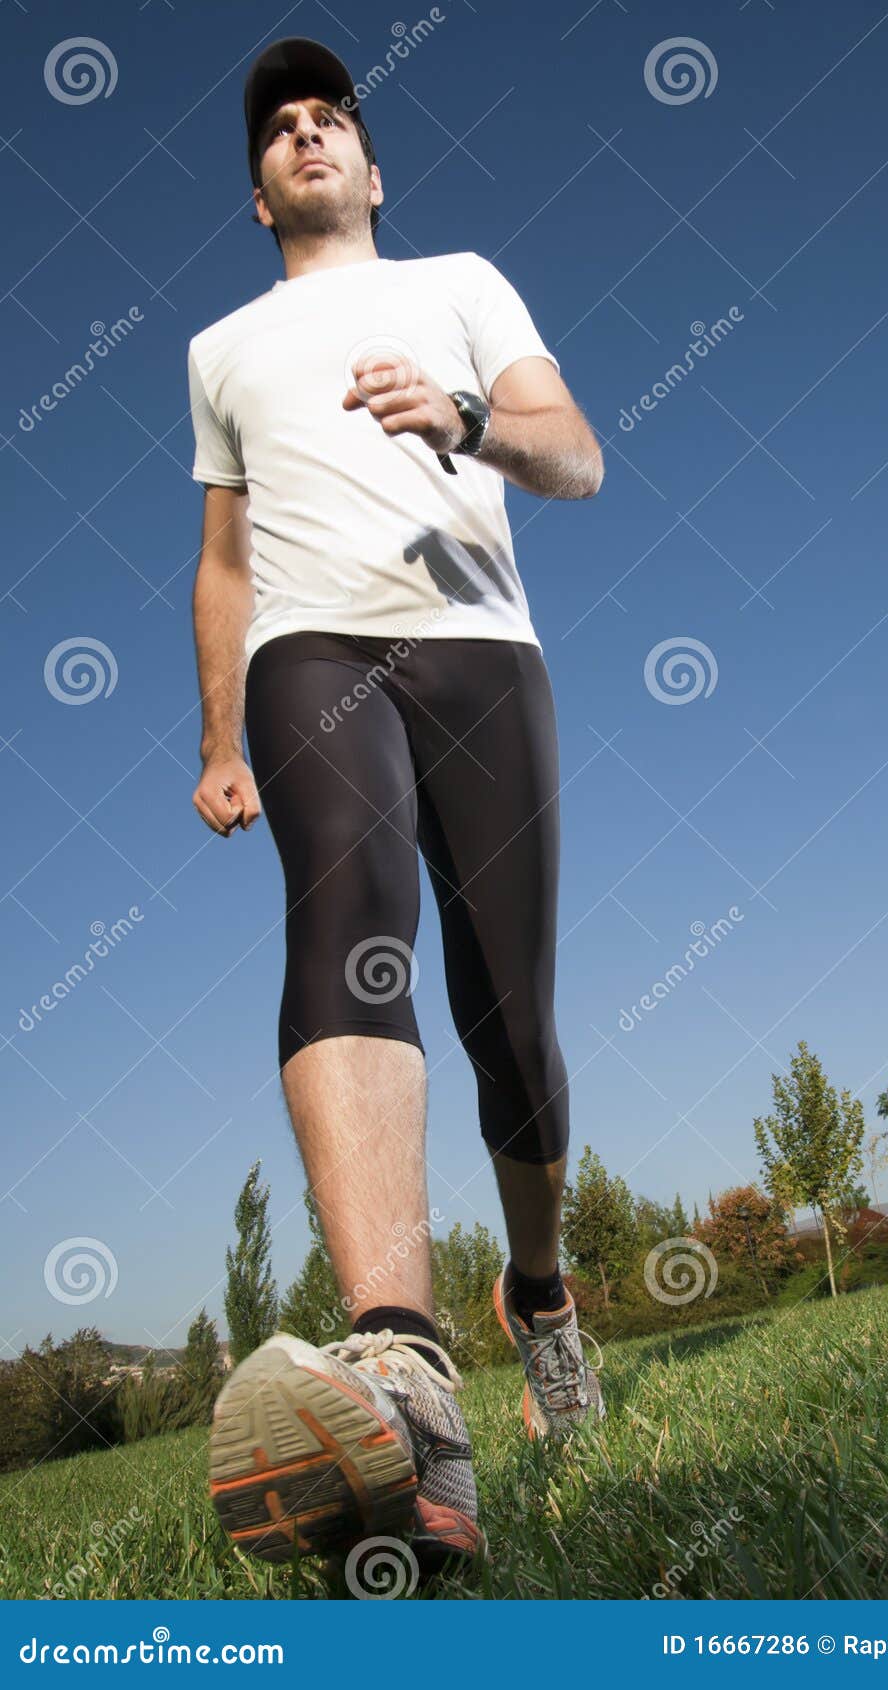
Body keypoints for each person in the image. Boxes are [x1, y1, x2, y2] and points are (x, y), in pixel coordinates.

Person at [188, 38, 606, 1577]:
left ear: (371, 170)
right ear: (260, 193)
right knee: (351, 913)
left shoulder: (466, 280)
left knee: (515, 1028)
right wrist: (223, 732)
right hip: (314, 652)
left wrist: (466, 418)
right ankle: (409, 1376)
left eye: (331, 118)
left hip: (484, 649)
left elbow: (578, 455)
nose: (308, 134)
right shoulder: (221, 349)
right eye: (281, 128)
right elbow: (227, 564)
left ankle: (541, 1288)